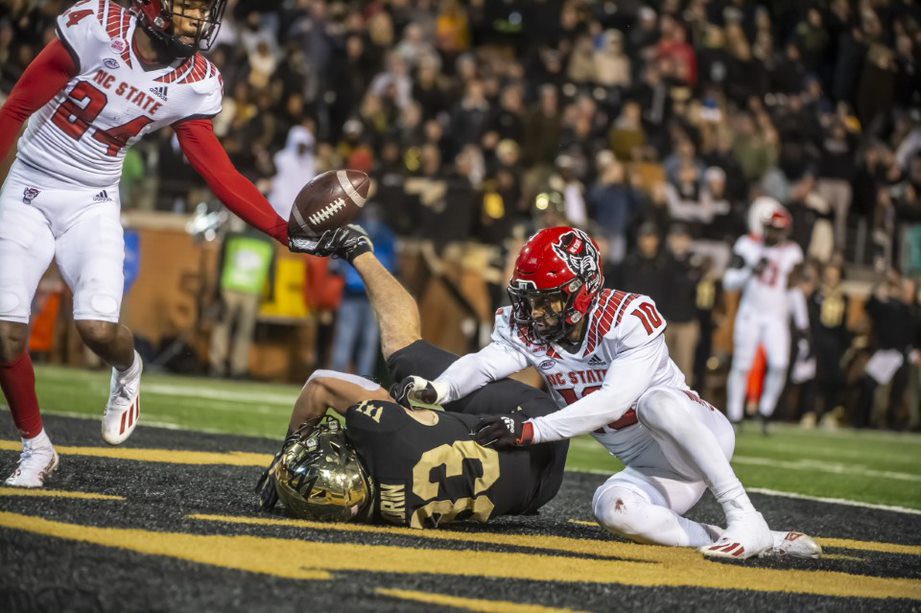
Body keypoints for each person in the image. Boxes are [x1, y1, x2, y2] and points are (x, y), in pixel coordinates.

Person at [390, 225, 820, 559]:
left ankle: (745, 515)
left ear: (582, 289)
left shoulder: (628, 317)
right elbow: (486, 362)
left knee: (655, 403)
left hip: (694, 434)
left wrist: (530, 431)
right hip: (652, 469)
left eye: (548, 299)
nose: (536, 312)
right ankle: (741, 538)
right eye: (531, 300)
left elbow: (613, 402)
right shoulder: (535, 325)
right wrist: (440, 388)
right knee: (611, 507)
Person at [0, 0, 293, 487]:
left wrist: (282, 229)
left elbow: (217, 171)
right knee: (6, 334)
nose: (200, 20)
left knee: (97, 329)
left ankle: (128, 368)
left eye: (205, 10)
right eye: (190, 7)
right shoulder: (96, 28)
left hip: (92, 200)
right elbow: (17, 109)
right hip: (29, 185)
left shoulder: (194, 82)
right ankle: (36, 447)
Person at [255, 229, 567, 527]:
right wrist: (289, 447)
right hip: (536, 425)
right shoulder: (378, 430)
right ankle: (358, 249)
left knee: (441, 427)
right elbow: (320, 384)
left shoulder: (383, 514)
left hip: (532, 493)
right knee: (403, 352)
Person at [723, 199, 804, 430]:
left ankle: (766, 410)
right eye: (772, 229)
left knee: (779, 364)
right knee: (741, 365)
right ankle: (735, 414)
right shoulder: (747, 245)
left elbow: (794, 289)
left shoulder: (792, 252)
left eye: (779, 230)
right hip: (750, 313)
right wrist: (750, 271)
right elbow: (729, 282)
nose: (775, 235)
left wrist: (800, 320)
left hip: (776, 317)